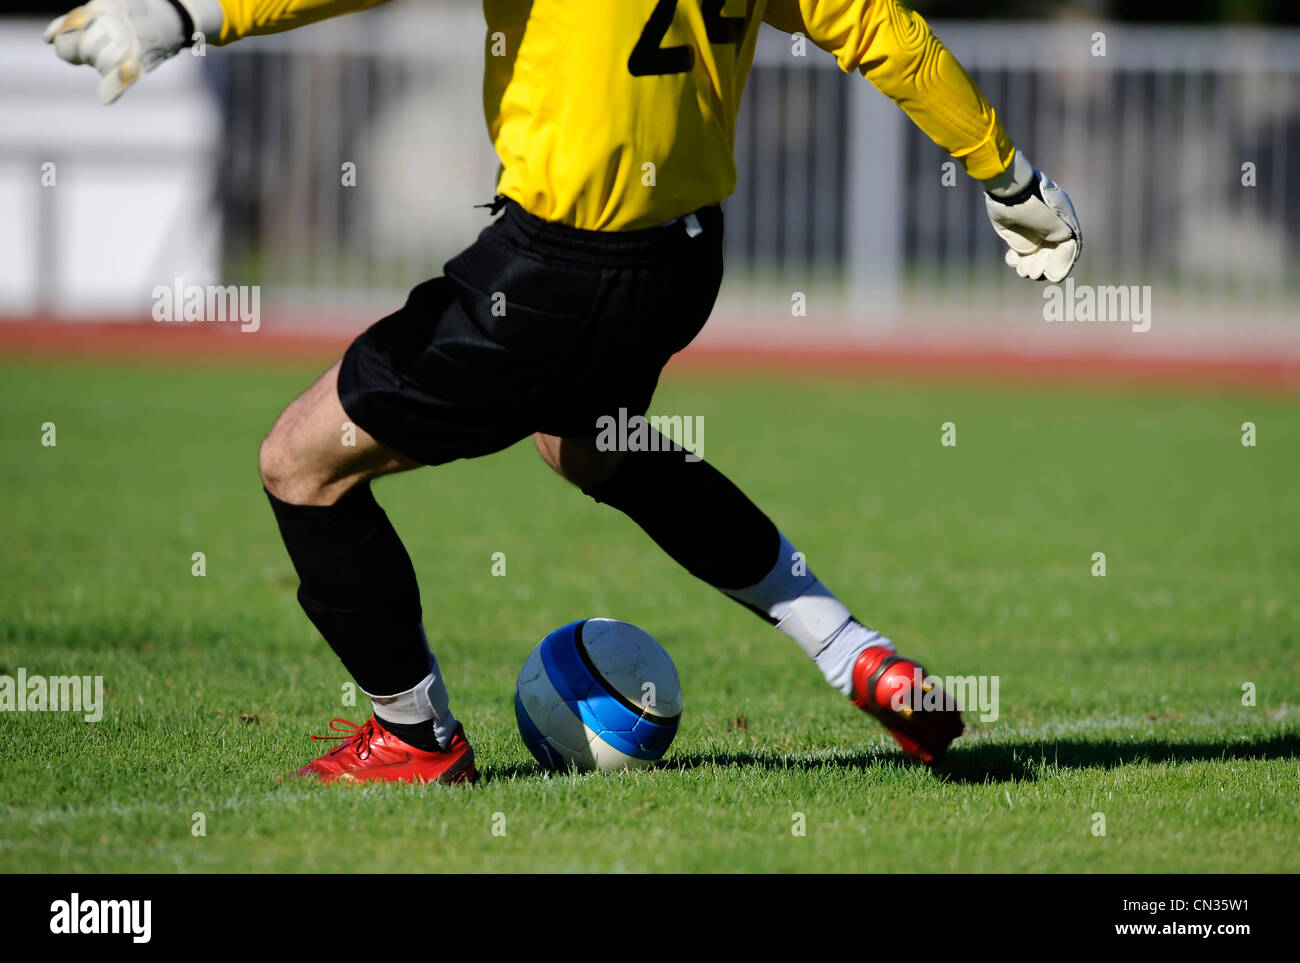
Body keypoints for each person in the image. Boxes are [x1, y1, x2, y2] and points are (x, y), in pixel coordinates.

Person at [46, 0, 1082, 784]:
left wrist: (192, 15)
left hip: (553, 271)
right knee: (590, 443)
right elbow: (883, 34)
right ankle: (853, 653)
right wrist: (1011, 179)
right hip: (681, 259)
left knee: (300, 464)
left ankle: (413, 737)